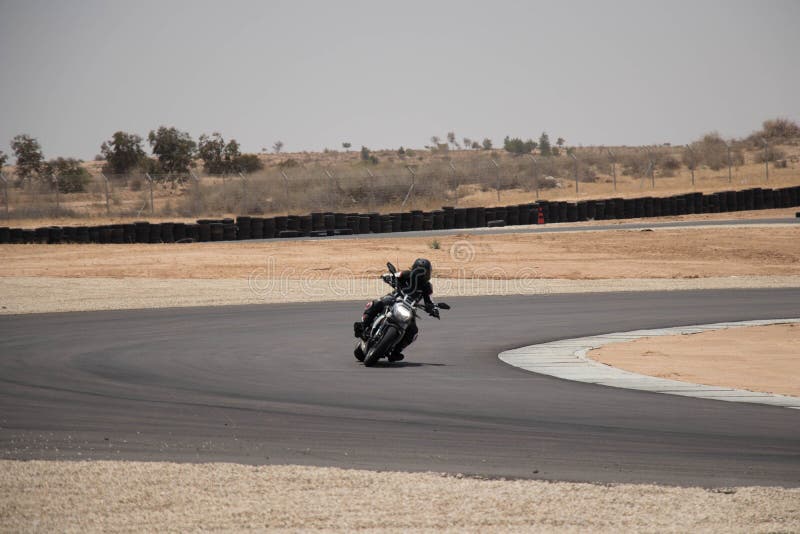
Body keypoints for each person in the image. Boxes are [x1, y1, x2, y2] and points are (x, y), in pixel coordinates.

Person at [354, 258, 439, 362]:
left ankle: (396, 351)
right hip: (394, 298)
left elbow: (430, 300)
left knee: (413, 331)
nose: (422, 275)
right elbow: (395, 275)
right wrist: (389, 277)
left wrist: (433, 309)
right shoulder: (406, 274)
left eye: (424, 272)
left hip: (410, 308)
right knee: (377, 303)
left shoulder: (427, 286)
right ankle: (362, 326)